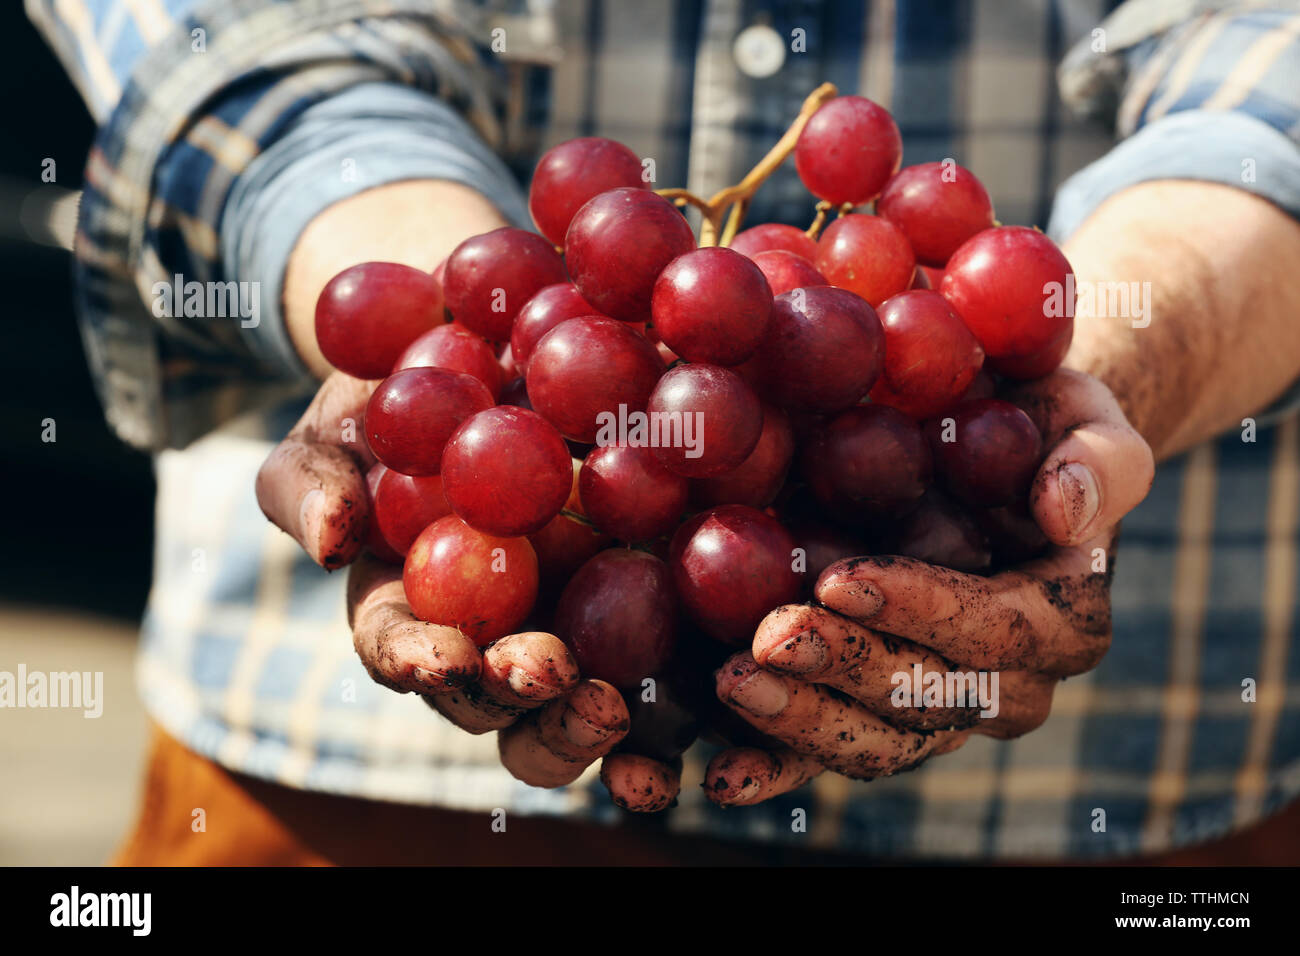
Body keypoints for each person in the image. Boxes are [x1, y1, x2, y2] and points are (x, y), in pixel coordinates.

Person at [28, 0, 1300, 865]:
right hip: (337, 794)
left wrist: (1123, 353)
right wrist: (407, 270)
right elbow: (229, 31)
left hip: (1121, 809)